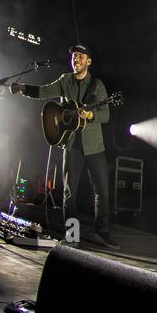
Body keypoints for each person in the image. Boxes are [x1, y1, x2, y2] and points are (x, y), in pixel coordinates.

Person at [10, 43, 118, 248]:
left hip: (95, 146)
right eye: (74, 56)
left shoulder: (97, 85)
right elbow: (44, 91)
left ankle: (101, 232)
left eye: (81, 56)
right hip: (71, 145)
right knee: (69, 193)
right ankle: (72, 236)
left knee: (101, 191)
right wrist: (24, 88)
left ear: (89, 61)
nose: (76, 60)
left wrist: (91, 114)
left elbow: (106, 115)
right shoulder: (65, 80)